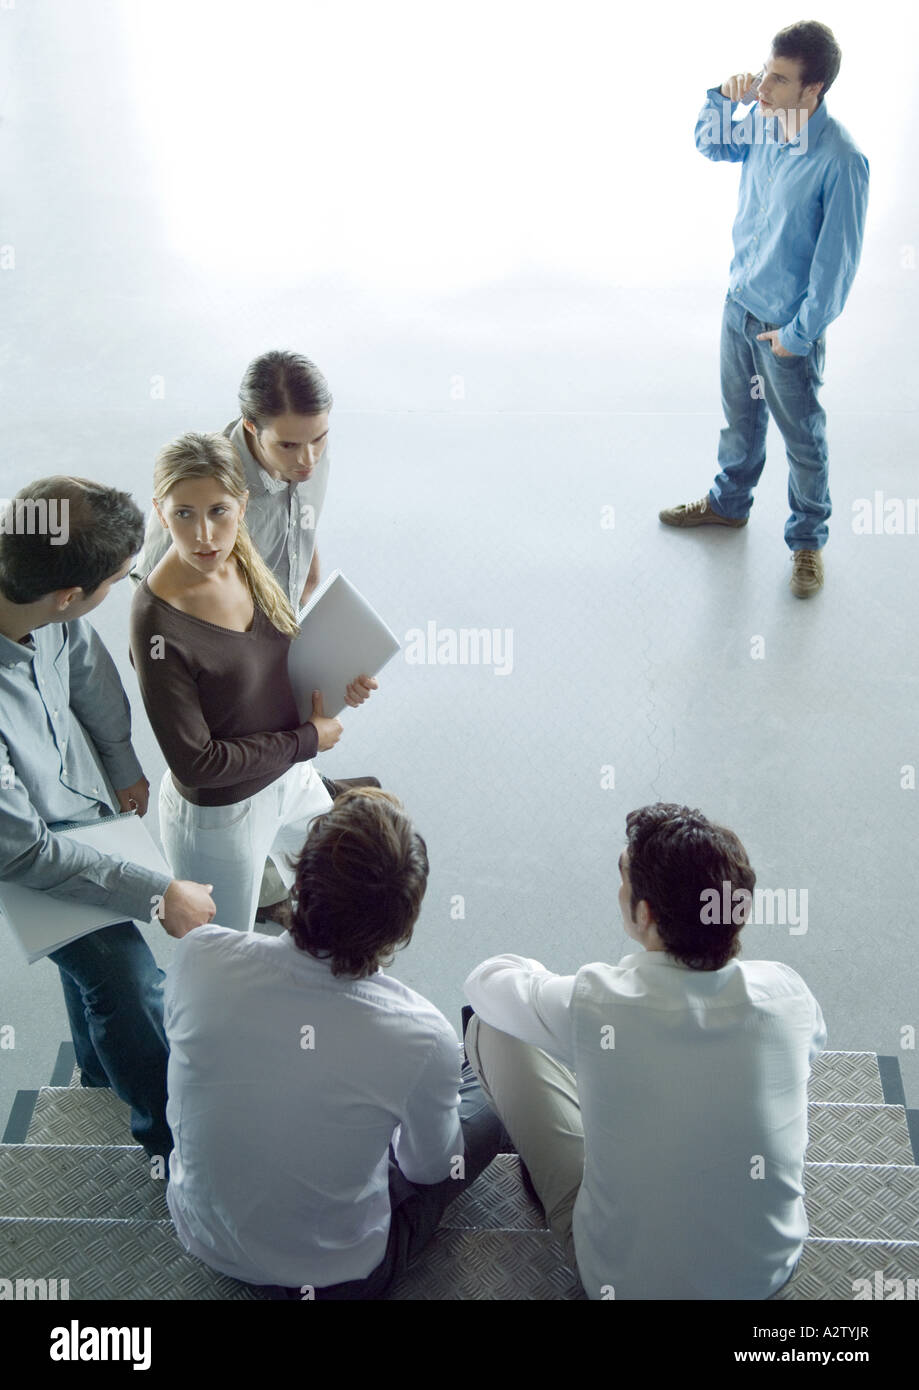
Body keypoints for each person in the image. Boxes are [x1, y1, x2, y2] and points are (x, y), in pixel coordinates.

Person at [464, 803, 827, 1300]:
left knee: (492, 1028)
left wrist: (538, 975)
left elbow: (484, 983)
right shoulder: (790, 995)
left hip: (622, 1285)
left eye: (624, 878)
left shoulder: (595, 1000)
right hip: (766, 1276)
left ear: (644, 913)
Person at [164, 787, 507, 1299]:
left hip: (205, 1237)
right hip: (338, 1277)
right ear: (402, 925)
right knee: (490, 1093)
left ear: (299, 880)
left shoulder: (201, 957)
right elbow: (429, 1167)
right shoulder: (421, 1033)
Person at [0, 478, 216, 1159]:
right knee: (124, 979)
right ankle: (173, 1146)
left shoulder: (40, 596)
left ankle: (97, 1077)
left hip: (63, 809)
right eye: (116, 582)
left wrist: (121, 761)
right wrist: (159, 893)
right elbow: (25, 856)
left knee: (97, 970)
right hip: (18, 844)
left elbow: (84, 663)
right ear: (69, 595)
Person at [132, 349, 370, 925]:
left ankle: (276, 890)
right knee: (229, 936)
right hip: (227, 768)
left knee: (328, 828)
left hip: (277, 708)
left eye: (320, 439)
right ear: (249, 430)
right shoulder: (206, 522)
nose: (309, 460)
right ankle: (264, 895)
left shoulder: (303, 453)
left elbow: (293, 553)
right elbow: (179, 656)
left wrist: (329, 659)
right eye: (288, 446)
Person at [659, 21, 869, 598]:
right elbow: (711, 144)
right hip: (739, 305)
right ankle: (729, 505)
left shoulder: (842, 160)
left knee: (802, 438)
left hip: (786, 329)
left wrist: (798, 335)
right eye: (765, 71)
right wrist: (719, 100)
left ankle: (807, 542)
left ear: (814, 90)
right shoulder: (764, 125)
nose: (763, 88)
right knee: (740, 420)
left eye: (778, 80)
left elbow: (836, 266)